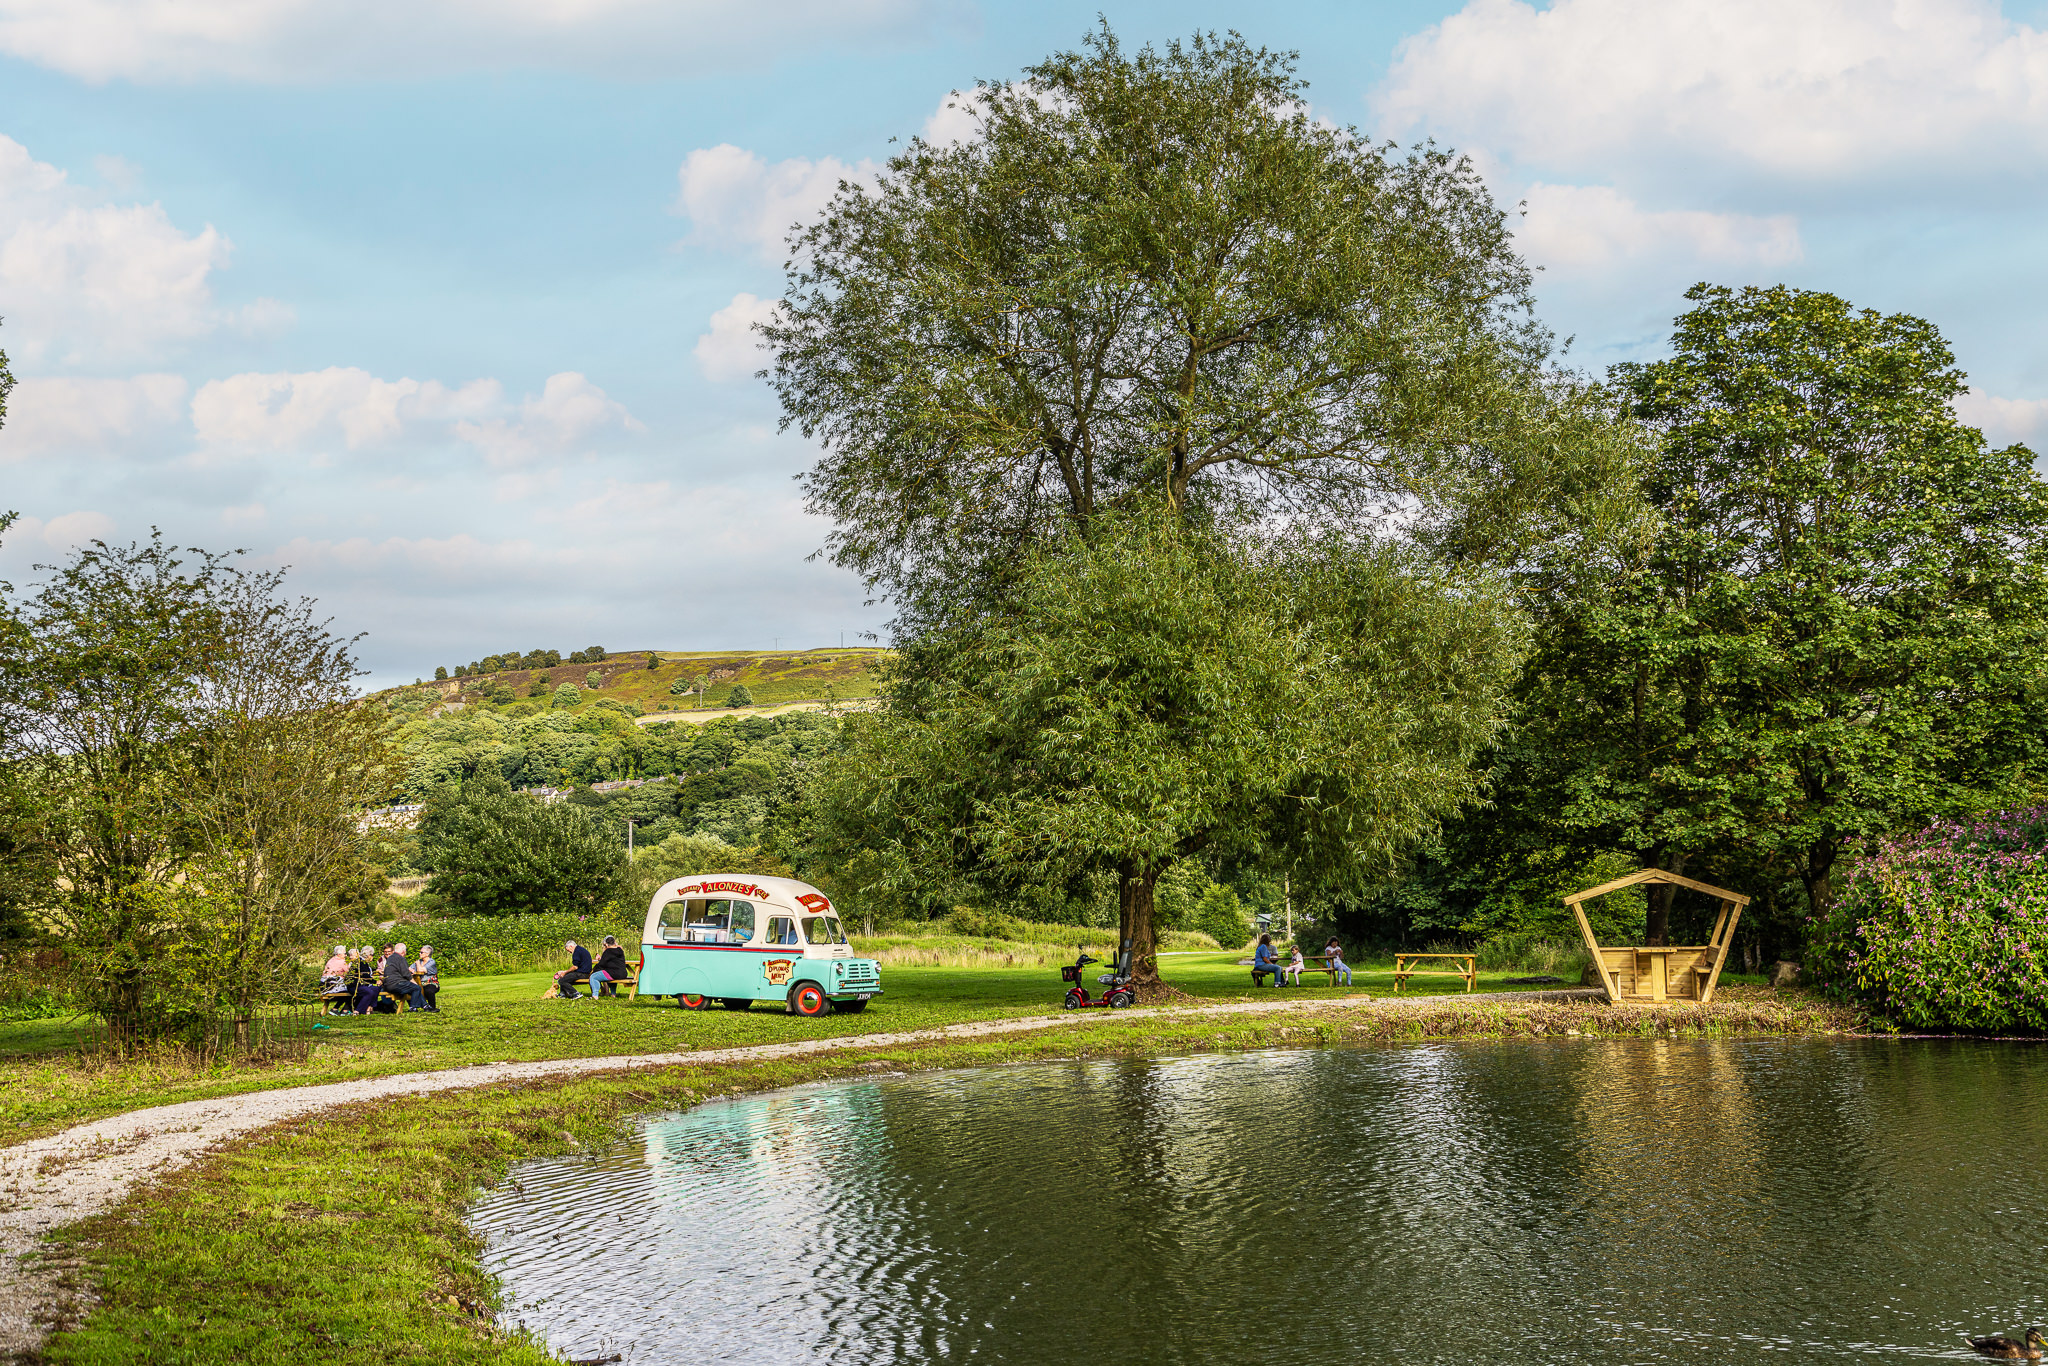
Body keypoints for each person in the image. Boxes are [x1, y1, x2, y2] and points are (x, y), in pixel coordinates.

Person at [381, 942, 426, 1011]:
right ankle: (413, 1007)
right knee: (416, 988)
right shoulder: (401, 958)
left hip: (387, 985)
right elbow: (406, 974)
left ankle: (426, 1006)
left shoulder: (390, 958)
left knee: (413, 988)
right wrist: (414, 983)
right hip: (395, 984)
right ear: (403, 951)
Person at [351, 946, 381, 1015]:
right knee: (369, 992)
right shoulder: (361, 962)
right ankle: (357, 1011)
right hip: (355, 986)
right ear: (369, 956)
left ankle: (369, 1008)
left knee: (376, 988)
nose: (372, 958)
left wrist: (376, 970)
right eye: (372, 955)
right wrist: (376, 981)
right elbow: (365, 976)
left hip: (362, 985)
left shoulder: (363, 962)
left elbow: (366, 972)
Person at [415, 944, 440, 1012]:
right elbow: (409, 969)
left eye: (421, 952)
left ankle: (432, 1007)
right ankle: (414, 1007)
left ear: (427, 954)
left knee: (429, 990)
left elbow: (420, 970)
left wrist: (417, 964)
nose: (419, 953)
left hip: (431, 982)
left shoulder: (431, 962)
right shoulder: (420, 961)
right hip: (420, 983)